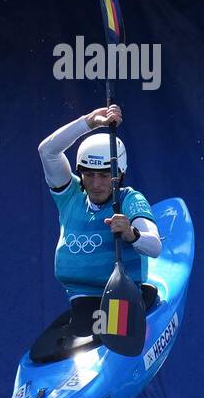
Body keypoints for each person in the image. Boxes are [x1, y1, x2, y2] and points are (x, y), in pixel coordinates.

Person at [37, 105, 161, 342]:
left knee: (100, 340)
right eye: (89, 174)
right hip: (81, 298)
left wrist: (131, 234)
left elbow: (154, 246)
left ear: (119, 174)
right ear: (80, 173)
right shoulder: (70, 196)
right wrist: (88, 122)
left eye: (104, 175)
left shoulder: (129, 199)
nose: (96, 183)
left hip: (120, 297)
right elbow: (47, 151)